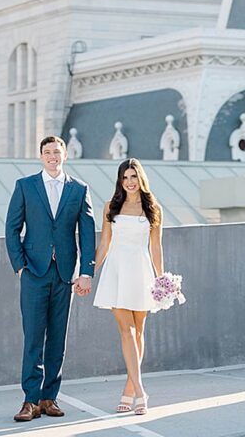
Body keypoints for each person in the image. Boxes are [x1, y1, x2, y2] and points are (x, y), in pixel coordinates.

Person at [4, 134, 96, 422]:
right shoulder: (25, 186)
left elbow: (88, 233)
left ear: (65, 155)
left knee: (57, 337)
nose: (52, 157)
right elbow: (11, 228)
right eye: (47, 152)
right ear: (41, 156)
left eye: (57, 152)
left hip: (64, 274)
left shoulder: (79, 189)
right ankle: (30, 401)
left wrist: (86, 272)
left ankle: (49, 398)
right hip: (34, 271)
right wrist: (20, 266)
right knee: (33, 337)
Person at [92, 157, 167, 416]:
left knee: (139, 332)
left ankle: (128, 390)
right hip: (116, 271)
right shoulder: (110, 207)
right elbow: (104, 243)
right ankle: (141, 392)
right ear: (120, 180)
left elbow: (156, 248)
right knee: (127, 330)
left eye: (134, 176)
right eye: (125, 177)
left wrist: (161, 279)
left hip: (141, 271)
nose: (129, 182)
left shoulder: (153, 208)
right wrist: (88, 272)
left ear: (141, 178)